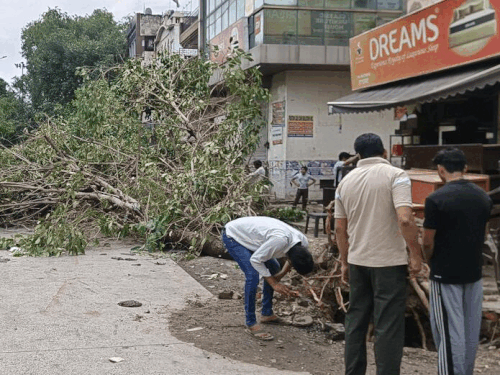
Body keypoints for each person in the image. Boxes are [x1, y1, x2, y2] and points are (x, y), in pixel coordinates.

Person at [334, 133, 422, 375]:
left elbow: (340, 228)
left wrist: (344, 262)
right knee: (388, 325)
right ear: (384, 152)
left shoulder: (345, 183)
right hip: (388, 263)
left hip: (357, 262)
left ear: (358, 155)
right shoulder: (396, 175)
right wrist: (415, 254)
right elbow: (405, 218)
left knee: (355, 322)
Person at [422, 148, 492, 375]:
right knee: (470, 331)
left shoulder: (435, 199)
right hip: (474, 272)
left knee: (449, 334)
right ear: (465, 168)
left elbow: (427, 242)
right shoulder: (483, 197)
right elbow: (484, 234)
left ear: (441, 170)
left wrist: (428, 262)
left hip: (445, 274)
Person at [222, 216, 315, 341]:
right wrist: (274, 284)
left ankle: (267, 314)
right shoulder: (280, 241)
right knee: (252, 275)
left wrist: (279, 276)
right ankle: (250, 322)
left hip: (254, 238)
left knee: (274, 267)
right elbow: (255, 260)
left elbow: (288, 263)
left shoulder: (302, 243)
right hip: (234, 235)